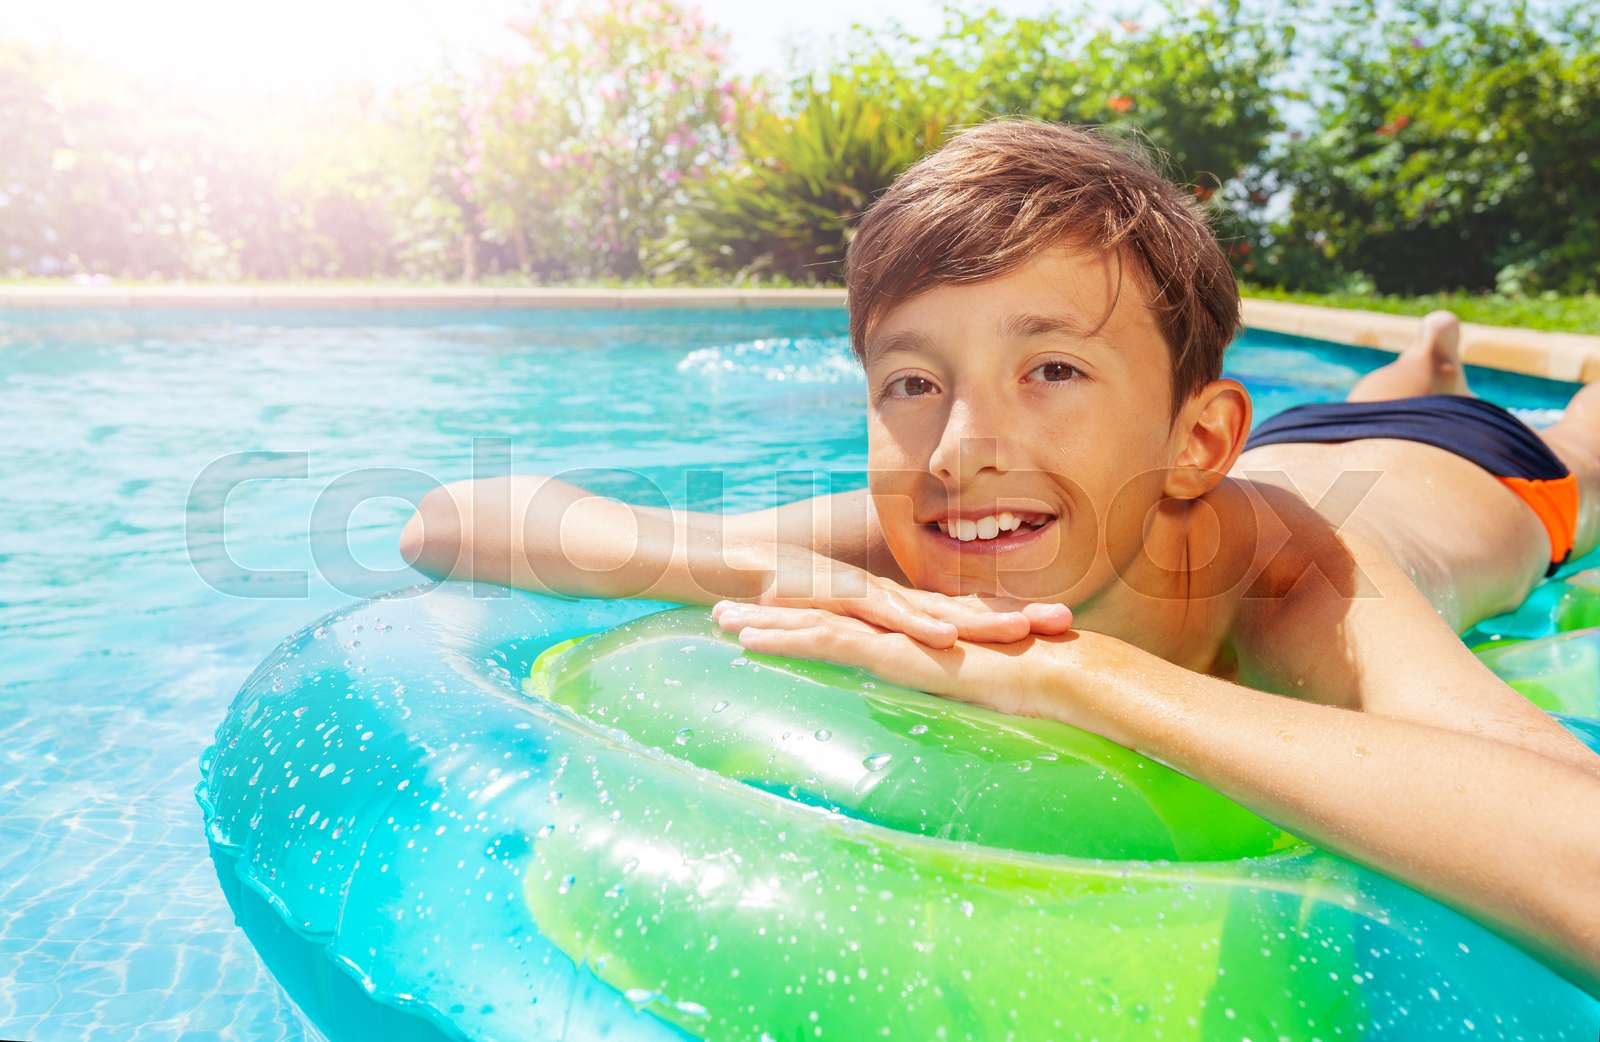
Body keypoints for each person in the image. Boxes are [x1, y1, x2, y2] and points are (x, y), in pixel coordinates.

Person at [399, 118, 1600, 991]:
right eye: (913, 382)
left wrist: (1086, 673)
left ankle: (1482, 387)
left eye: (1051, 368)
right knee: (1386, 389)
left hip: (1479, 477)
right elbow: (451, 519)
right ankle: (1424, 358)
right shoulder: (935, 511)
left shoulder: (1301, 584)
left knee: (1578, 450)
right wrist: (759, 565)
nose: (962, 447)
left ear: (1193, 441)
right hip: (1280, 440)